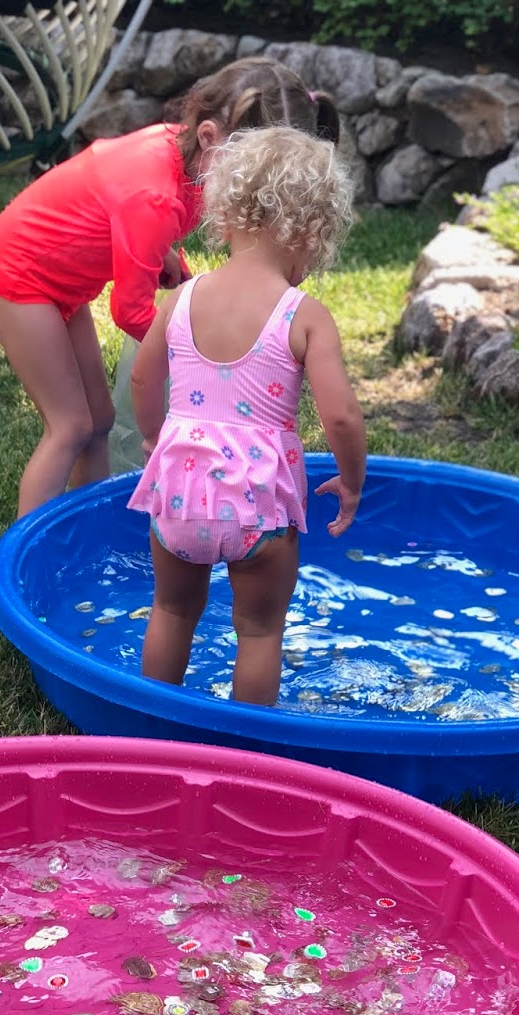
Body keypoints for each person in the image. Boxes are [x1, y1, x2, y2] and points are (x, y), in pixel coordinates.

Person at [0, 58, 340, 518]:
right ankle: (22, 562)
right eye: (253, 171)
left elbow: (111, 208)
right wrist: (200, 349)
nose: (258, 190)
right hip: (17, 279)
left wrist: (165, 257)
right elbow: (130, 310)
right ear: (209, 137)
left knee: (99, 422)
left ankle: (91, 532)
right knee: (69, 426)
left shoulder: (179, 152)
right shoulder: (154, 195)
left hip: (59, 282)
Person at [127, 124, 366, 707]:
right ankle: (247, 753)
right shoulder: (304, 314)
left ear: (226, 218)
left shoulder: (180, 298)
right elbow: (340, 418)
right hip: (257, 503)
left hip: (180, 491)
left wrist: (156, 436)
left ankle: (152, 730)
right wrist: (353, 482)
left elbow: (142, 376)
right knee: (259, 632)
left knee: (172, 609)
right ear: (313, 233)